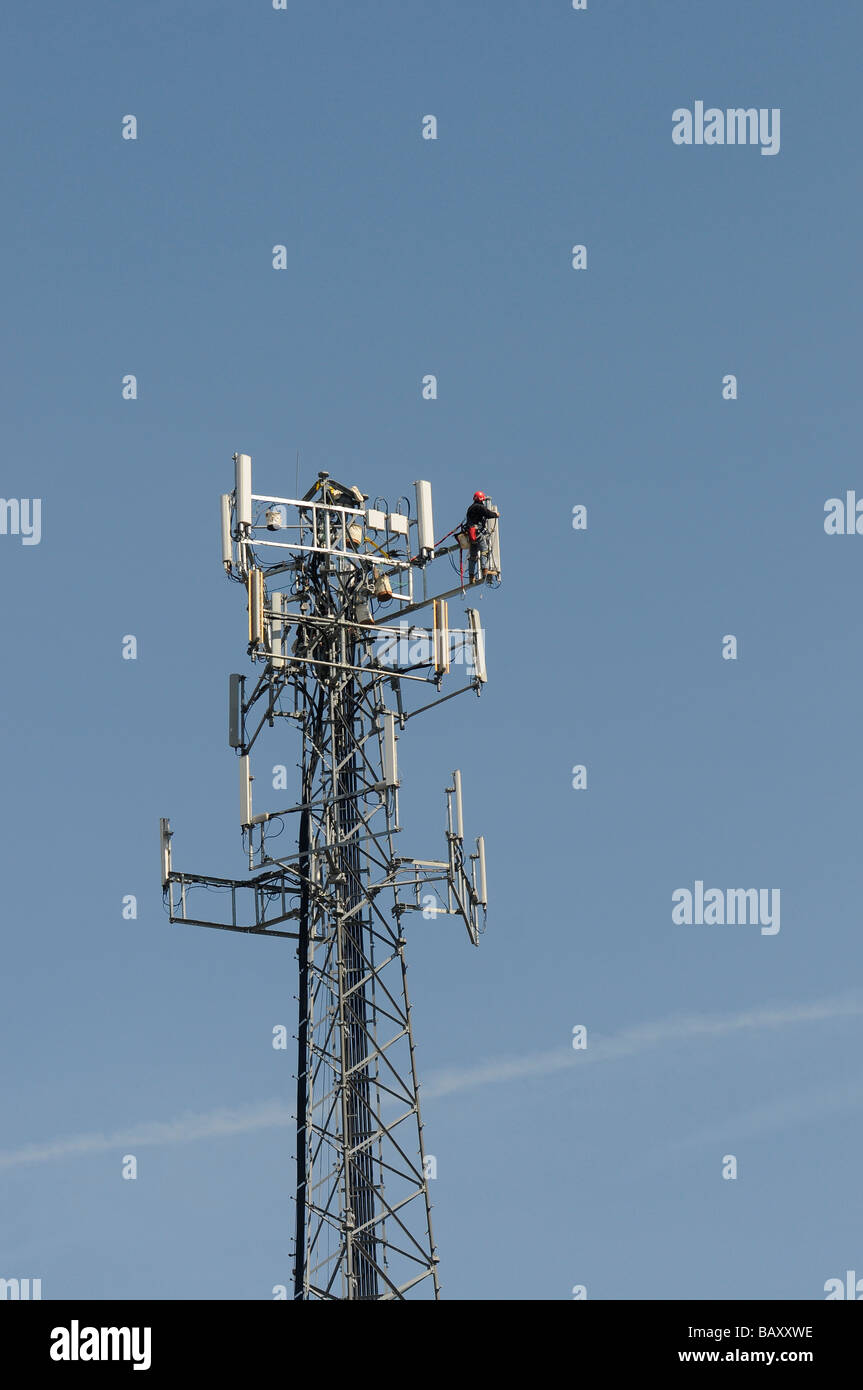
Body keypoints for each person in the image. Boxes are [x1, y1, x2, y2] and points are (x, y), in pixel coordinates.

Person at [464, 491, 499, 583]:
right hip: (478, 533)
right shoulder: (479, 507)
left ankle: (471, 576)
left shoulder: (470, 508)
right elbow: (487, 513)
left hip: (471, 535)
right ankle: (485, 570)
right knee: (484, 551)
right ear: (481, 499)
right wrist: (496, 515)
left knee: (473, 556)